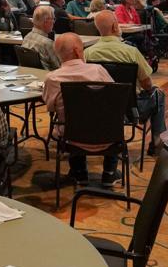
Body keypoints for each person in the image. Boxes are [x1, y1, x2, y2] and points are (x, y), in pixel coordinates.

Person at [42, 33, 119, 186]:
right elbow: (115, 99)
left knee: (69, 122)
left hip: (72, 139)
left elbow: (50, 107)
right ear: (78, 51)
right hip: (108, 136)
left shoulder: (52, 78)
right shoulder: (99, 70)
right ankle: (109, 173)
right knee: (103, 118)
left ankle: (80, 174)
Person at [84, 11, 166, 153]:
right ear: (115, 27)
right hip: (130, 109)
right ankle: (156, 141)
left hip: (99, 106)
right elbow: (147, 84)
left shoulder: (87, 53)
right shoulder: (131, 52)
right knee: (159, 94)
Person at [21, 6, 60, 70]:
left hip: (31, 73)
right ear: (45, 22)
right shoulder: (48, 43)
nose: (53, 22)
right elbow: (58, 67)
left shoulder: (27, 37)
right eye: (53, 19)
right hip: (47, 76)